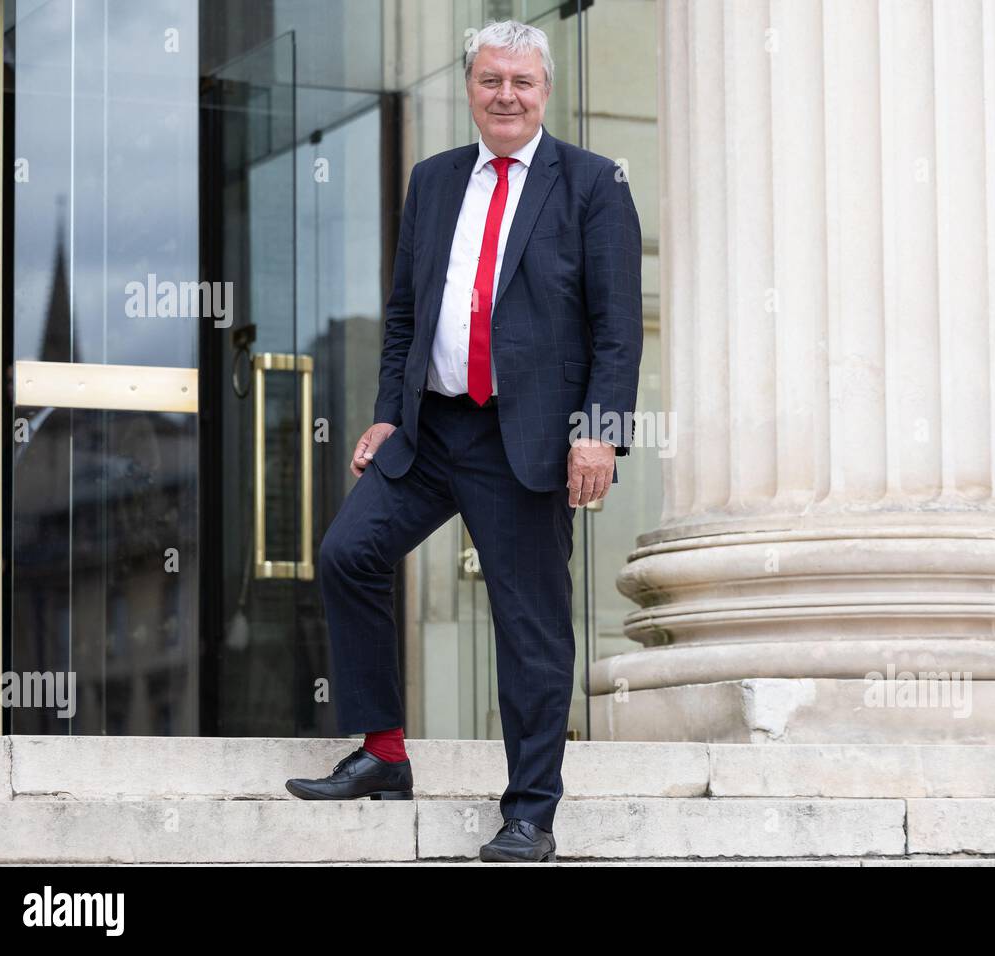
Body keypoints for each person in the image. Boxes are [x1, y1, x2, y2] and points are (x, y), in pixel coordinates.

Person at [284, 18, 643, 863]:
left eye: (522, 82)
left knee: (530, 628)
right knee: (349, 554)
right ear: (471, 88)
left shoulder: (592, 184)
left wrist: (600, 432)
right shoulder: (435, 179)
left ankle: (530, 814)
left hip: (528, 440)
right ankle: (383, 752)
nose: (506, 96)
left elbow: (617, 328)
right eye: (491, 81)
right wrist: (383, 409)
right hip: (433, 427)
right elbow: (407, 312)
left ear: (545, 90)